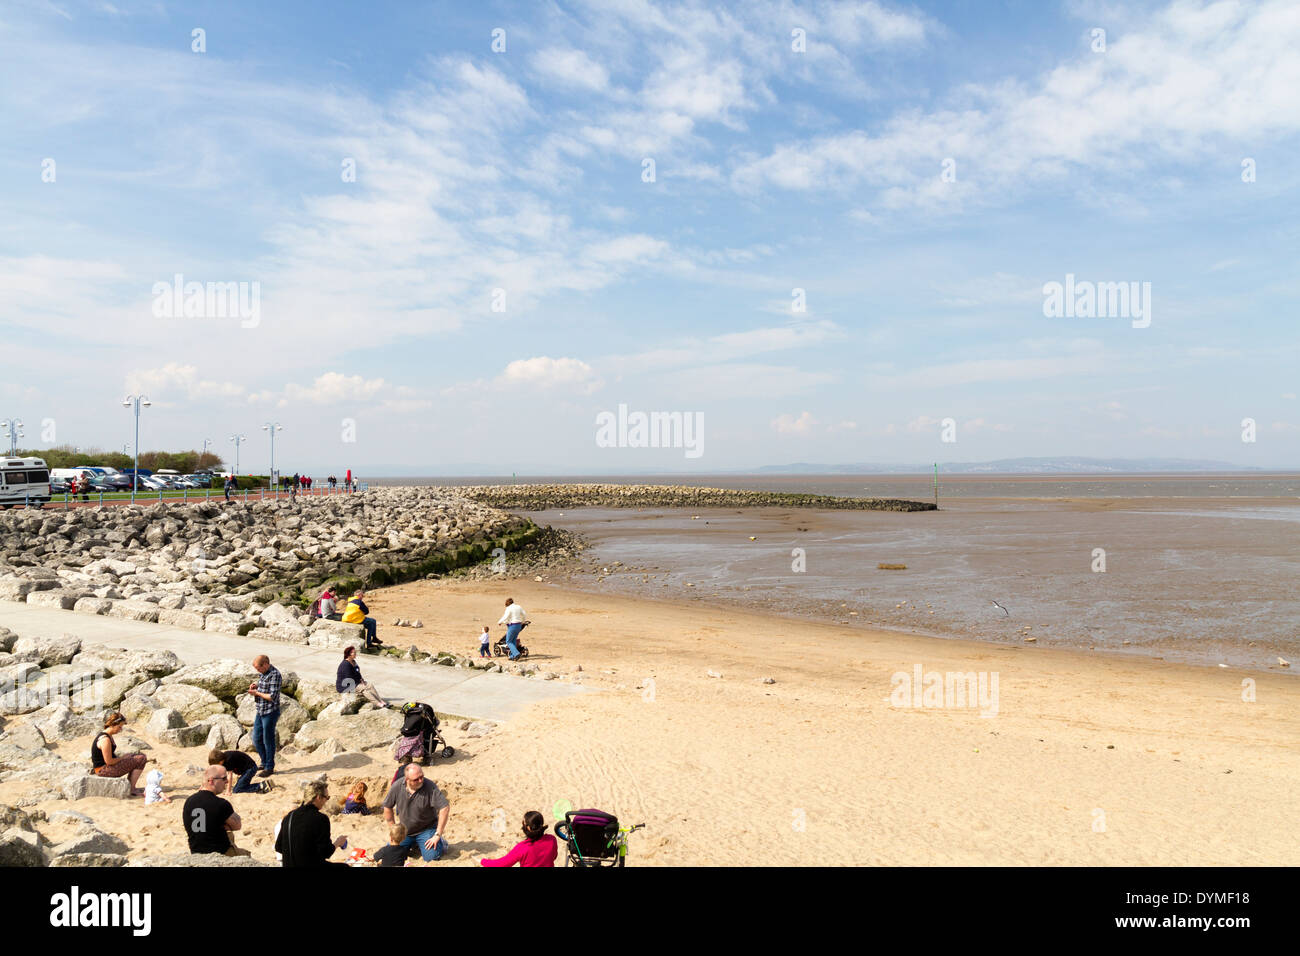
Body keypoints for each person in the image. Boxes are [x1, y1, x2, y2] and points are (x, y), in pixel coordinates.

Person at [381, 764, 451, 862]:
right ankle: (414, 844)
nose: (421, 780)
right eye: (416, 779)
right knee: (390, 853)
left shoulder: (430, 786)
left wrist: (437, 835)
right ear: (407, 780)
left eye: (422, 776)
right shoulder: (397, 786)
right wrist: (393, 828)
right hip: (405, 831)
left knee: (431, 857)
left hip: (426, 829)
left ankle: (441, 843)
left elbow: (445, 807)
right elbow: (387, 806)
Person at [275, 779, 349, 867]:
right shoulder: (320, 818)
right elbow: (326, 852)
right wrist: (338, 842)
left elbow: (278, 847)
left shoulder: (290, 816)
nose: (326, 801)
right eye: (327, 797)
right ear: (318, 797)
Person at [182, 765, 249, 857]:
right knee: (246, 856)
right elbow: (237, 825)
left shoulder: (189, 801)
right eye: (224, 778)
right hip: (220, 852)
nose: (227, 781)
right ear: (211, 781)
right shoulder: (221, 804)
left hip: (196, 852)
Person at [90, 711, 148, 796]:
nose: (120, 730)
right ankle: (131, 789)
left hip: (104, 768)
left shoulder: (107, 736)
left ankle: (131, 786)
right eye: (119, 727)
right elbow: (109, 761)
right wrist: (123, 758)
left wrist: (126, 757)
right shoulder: (105, 739)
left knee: (137, 756)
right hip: (103, 771)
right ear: (113, 724)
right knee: (141, 759)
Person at [479, 811, 558, 867]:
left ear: (528, 828)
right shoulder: (552, 840)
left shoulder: (523, 847)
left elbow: (502, 864)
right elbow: (554, 856)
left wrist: (483, 861)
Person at [248, 654, 282, 777]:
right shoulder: (264, 673)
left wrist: (256, 693)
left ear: (266, 664)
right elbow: (265, 687)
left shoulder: (275, 675)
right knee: (256, 738)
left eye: (259, 668)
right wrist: (256, 686)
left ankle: (269, 767)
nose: (258, 671)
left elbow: (272, 696)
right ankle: (263, 761)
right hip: (260, 710)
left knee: (268, 740)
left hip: (270, 712)